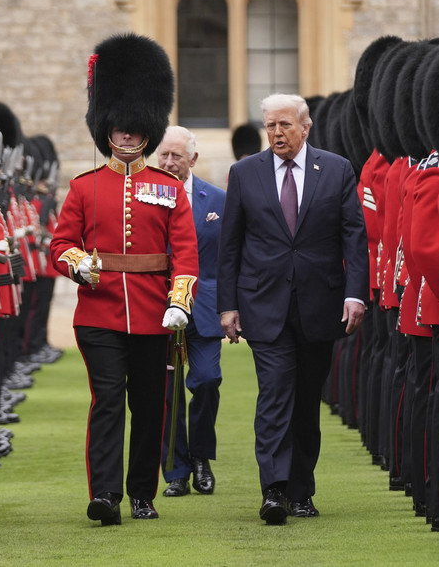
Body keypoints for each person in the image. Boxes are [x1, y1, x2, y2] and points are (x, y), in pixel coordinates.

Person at [49, 34, 200, 524]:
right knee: (109, 402)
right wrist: (80, 264)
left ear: (147, 131)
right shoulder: (84, 188)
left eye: (137, 129)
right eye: (120, 127)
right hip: (100, 313)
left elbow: (185, 254)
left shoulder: (169, 189)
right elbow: (60, 245)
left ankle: (142, 494)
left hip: (156, 315)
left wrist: (180, 300)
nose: (129, 135)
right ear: (106, 127)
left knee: (150, 407)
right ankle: (106, 495)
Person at [217, 93, 367, 524]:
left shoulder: (336, 169)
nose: (277, 133)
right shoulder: (245, 174)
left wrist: (355, 294)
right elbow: (230, 245)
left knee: (305, 402)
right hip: (264, 305)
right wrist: (227, 305)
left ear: (306, 126)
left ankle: (302, 490)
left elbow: (353, 237)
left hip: (320, 305)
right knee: (275, 395)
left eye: (284, 125)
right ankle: (274, 490)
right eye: (270, 126)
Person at [157, 125, 227, 497]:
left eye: (176, 157)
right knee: (166, 392)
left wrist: (233, 307)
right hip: (157, 307)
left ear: (193, 160)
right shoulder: (143, 198)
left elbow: (230, 258)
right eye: (163, 155)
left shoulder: (217, 200)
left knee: (206, 381)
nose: (169, 163)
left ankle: (201, 456)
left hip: (205, 308)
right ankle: (176, 471)